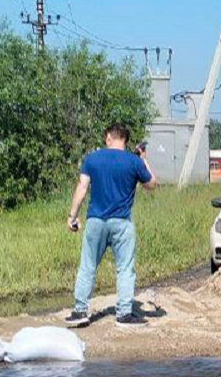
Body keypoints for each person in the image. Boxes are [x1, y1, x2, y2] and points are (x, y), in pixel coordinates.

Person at [65, 123, 158, 328]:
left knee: (87, 266)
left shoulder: (92, 159)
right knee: (125, 269)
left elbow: (82, 188)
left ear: (109, 137)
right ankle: (124, 314)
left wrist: (72, 217)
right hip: (122, 222)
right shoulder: (133, 161)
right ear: (125, 139)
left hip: (95, 220)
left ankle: (80, 311)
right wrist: (143, 159)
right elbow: (152, 184)